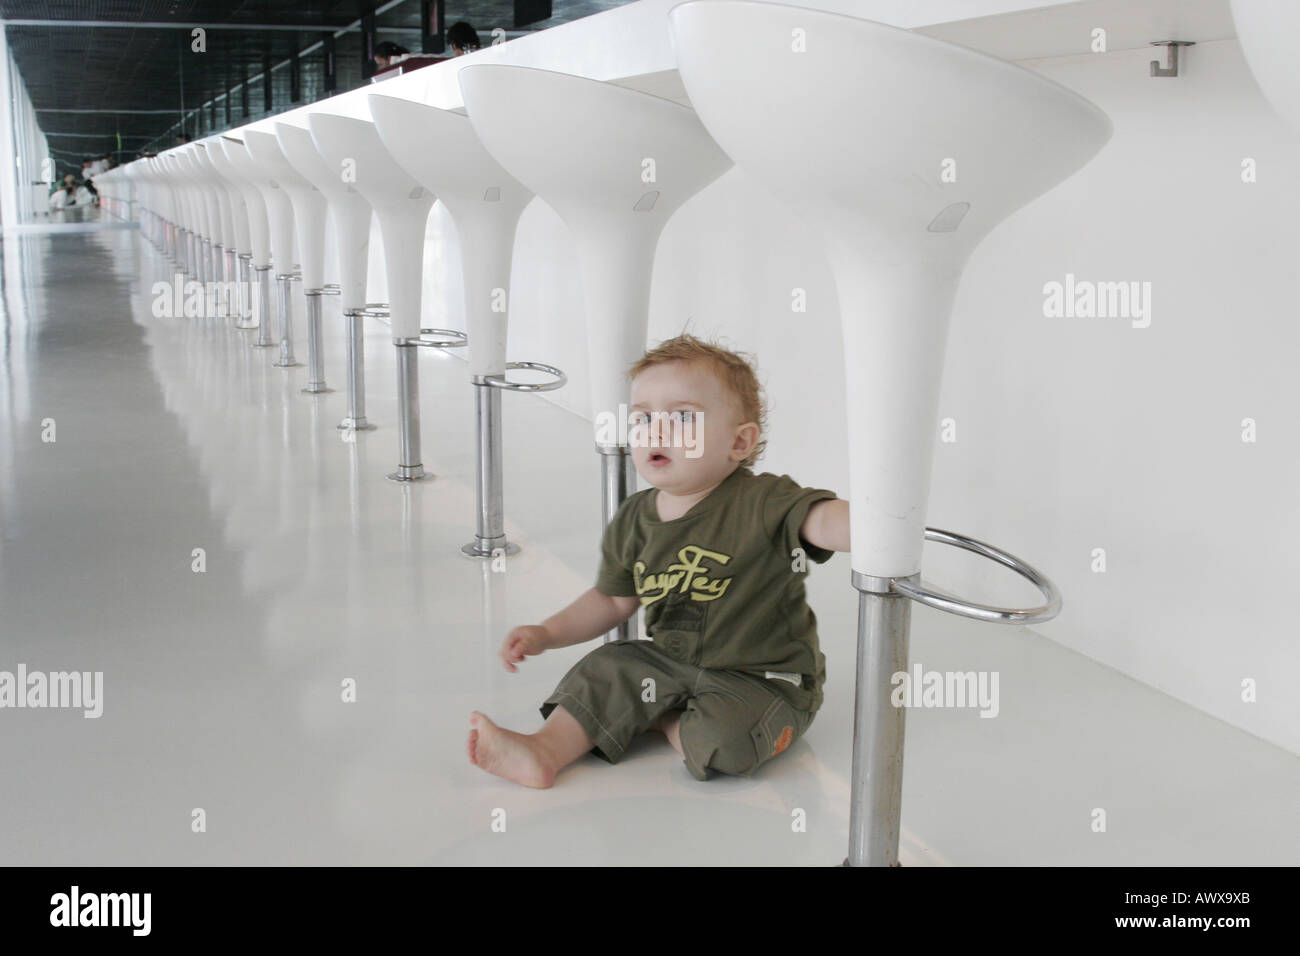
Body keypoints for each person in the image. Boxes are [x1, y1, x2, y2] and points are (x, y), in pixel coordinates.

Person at [468, 333, 851, 787]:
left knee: (727, 744)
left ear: (740, 442)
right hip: (671, 664)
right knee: (608, 668)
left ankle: (663, 719)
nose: (657, 430)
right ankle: (543, 751)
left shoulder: (764, 500)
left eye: (683, 416)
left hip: (763, 678)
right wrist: (548, 633)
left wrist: (873, 524)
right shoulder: (635, 516)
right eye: (644, 417)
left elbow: (822, 521)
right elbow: (612, 602)